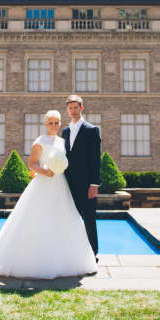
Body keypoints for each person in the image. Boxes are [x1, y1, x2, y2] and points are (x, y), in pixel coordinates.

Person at [0, 110, 97, 279]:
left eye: (56, 123)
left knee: (63, 220)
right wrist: (44, 171)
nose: (54, 126)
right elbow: (31, 163)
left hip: (60, 185)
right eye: (50, 123)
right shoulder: (39, 141)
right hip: (42, 184)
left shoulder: (63, 142)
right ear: (45, 124)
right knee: (37, 219)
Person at [62, 94, 101, 259]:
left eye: (75, 107)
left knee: (89, 218)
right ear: (67, 110)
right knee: (71, 217)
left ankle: (93, 252)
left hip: (86, 184)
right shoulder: (64, 131)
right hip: (67, 183)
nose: (73, 110)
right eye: (70, 108)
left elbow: (95, 158)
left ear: (81, 108)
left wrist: (94, 184)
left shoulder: (92, 130)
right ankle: (74, 251)